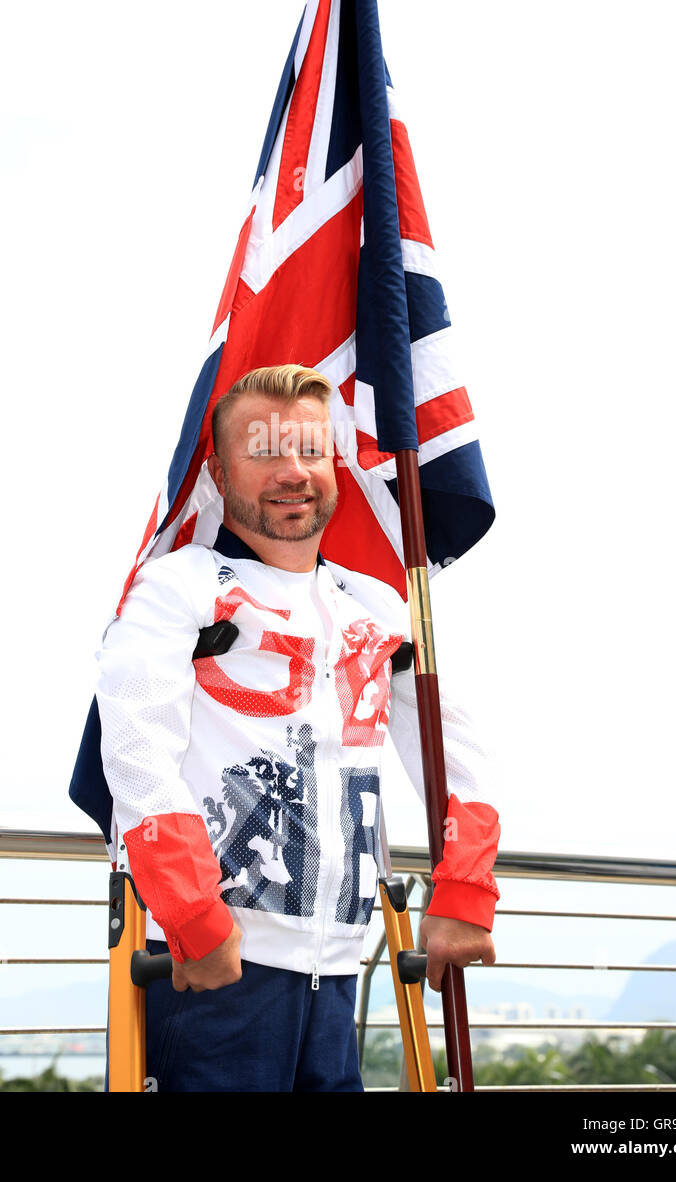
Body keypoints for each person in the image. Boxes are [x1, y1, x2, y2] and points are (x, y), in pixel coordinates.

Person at [95, 364, 500, 1092]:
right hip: (213, 970)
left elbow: (456, 753)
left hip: (339, 969)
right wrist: (193, 914)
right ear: (219, 471)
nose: (293, 472)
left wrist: (464, 891)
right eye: (264, 451)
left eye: (310, 450)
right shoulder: (177, 587)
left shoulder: (376, 608)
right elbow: (135, 753)